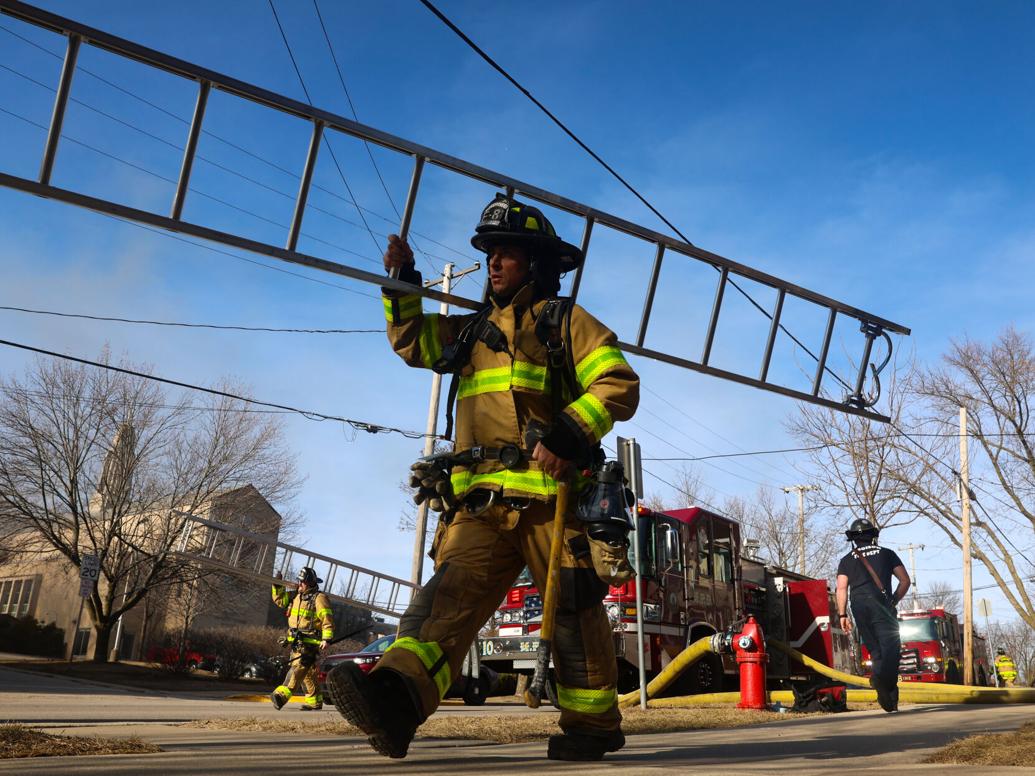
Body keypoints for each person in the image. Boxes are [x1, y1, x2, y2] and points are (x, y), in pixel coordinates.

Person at [329, 194, 640, 761]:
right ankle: (394, 702)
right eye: (490, 253)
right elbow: (412, 342)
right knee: (443, 599)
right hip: (482, 501)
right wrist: (402, 282)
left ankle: (593, 725)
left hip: (554, 503)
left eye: (507, 253)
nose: (494, 263)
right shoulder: (469, 333)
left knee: (571, 609)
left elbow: (618, 385)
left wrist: (569, 432)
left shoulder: (566, 323)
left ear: (537, 263)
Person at [835, 518, 910, 712]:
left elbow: (841, 588)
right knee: (891, 650)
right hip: (882, 605)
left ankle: (888, 698)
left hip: (858, 606)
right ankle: (882, 683)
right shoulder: (887, 554)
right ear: (873, 536)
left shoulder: (846, 560)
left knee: (876, 651)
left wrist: (842, 615)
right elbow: (905, 581)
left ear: (853, 539)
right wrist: (893, 600)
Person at [270, 567, 335, 711]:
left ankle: (281, 695)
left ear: (310, 583)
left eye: (303, 582)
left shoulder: (319, 598)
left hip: (310, 642)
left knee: (298, 668)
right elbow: (280, 600)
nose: (299, 584)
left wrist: (326, 639)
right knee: (308, 673)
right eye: (299, 581)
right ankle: (315, 701)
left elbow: (327, 619)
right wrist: (277, 584)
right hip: (296, 641)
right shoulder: (296, 596)